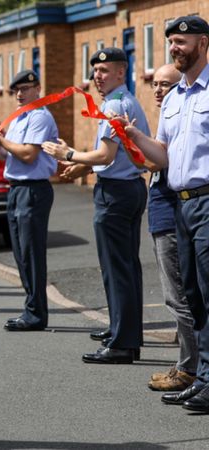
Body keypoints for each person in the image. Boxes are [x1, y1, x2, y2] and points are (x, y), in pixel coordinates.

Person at [118, 16, 209, 410]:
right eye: (170, 41)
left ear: (203, 43)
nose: (174, 47)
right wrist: (135, 136)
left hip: (208, 201)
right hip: (182, 204)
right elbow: (163, 157)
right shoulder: (174, 98)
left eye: (182, 41)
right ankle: (202, 376)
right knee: (194, 296)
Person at [42, 47, 149, 364]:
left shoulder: (116, 103)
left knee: (117, 270)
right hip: (126, 188)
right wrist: (84, 167)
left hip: (116, 193)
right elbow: (111, 156)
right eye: (95, 71)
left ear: (121, 72)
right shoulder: (121, 101)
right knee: (125, 267)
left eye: (104, 71)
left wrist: (69, 156)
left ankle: (122, 342)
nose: (96, 77)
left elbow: (105, 155)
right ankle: (123, 331)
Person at [0, 70, 58, 330]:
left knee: (31, 252)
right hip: (16, 188)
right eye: (16, 90)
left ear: (37, 89)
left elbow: (27, 154)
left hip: (33, 189)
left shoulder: (39, 117)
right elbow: (8, 155)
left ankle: (36, 314)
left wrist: (1, 138)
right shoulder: (19, 118)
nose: (20, 94)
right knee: (21, 252)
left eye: (25, 89)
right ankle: (31, 308)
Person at [142, 64, 197, 391]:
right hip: (162, 210)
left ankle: (190, 369)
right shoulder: (168, 117)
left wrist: (131, 140)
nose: (159, 90)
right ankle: (187, 363)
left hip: (175, 211)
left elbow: (158, 162)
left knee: (180, 297)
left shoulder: (184, 116)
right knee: (177, 295)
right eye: (156, 84)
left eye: (167, 84)